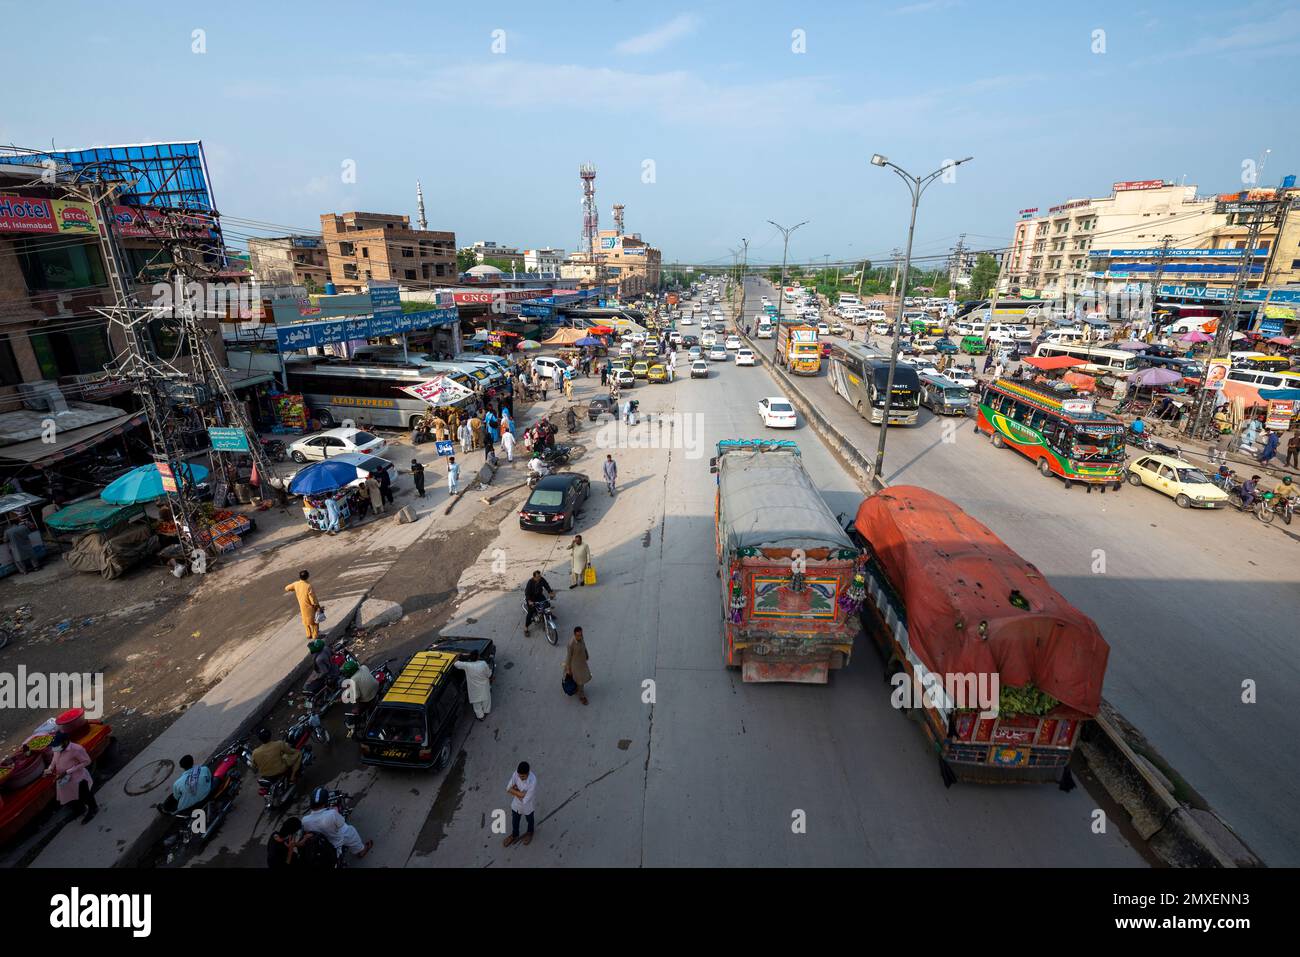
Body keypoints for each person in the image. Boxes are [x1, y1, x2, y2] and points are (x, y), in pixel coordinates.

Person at [303, 786, 373, 859]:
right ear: (325, 802)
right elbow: (341, 823)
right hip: (334, 842)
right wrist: (335, 812)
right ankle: (361, 850)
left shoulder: (305, 820)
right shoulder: (331, 814)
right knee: (350, 830)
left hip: (321, 843)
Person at [45, 732, 97, 823]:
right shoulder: (57, 748)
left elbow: (87, 761)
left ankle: (93, 809)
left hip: (78, 778)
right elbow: (55, 758)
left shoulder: (76, 749)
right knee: (72, 796)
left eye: (57, 746)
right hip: (65, 779)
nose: (55, 748)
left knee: (85, 795)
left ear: (65, 742)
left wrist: (68, 771)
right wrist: (50, 768)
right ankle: (80, 809)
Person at [503, 761, 537, 847]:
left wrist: (514, 791)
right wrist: (520, 793)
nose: (520, 778)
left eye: (523, 776)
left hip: (528, 805)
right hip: (516, 804)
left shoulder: (533, 781)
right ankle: (515, 835)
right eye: (519, 776)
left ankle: (530, 832)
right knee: (515, 821)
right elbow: (508, 788)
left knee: (530, 820)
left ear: (528, 773)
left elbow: (525, 800)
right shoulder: (516, 774)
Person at [453, 651, 493, 720]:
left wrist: (458, 655)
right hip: (484, 686)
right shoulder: (483, 664)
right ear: (478, 657)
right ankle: (486, 711)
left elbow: (456, 663)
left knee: (476, 704)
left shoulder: (467, 665)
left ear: (470, 658)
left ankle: (480, 717)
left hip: (474, 689)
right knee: (486, 700)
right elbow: (489, 674)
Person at [286, 570, 322, 641]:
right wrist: (317, 606)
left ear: (299, 577)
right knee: (314, 622)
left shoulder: (296, 584)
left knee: (306, 621)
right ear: (307, 576)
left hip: (302, 606)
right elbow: (312, 598)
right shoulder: (308, 586)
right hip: (309, 607)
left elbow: (287, 588)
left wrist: (295, 589)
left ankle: (309, 635)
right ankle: (315, 635)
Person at [564, 626, 592, 706]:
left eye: (581, 634)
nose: (580, 636)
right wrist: (568, 668)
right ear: (574, 634)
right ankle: (582, 696)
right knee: (581, 681)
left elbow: (584, 646)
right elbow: (568, 657)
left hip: (582, 662)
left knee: (579, 679)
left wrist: (586, 654)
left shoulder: (581, 638)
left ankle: (577, 689)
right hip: (575, 665)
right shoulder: (571, 644)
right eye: (578, 635)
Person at [523, 570, 555, 636]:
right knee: (530, 612)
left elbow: (546, 585)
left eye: (540, 576)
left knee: (547, 604)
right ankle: (526, 628)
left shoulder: (541, 579)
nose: (539, 578)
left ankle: (547, 617)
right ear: (534, 577)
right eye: (537, 577)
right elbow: (527, 593)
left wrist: (550, 592)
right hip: (531, 598)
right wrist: (529, 601)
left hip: (539, 595)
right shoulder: (530, 582)